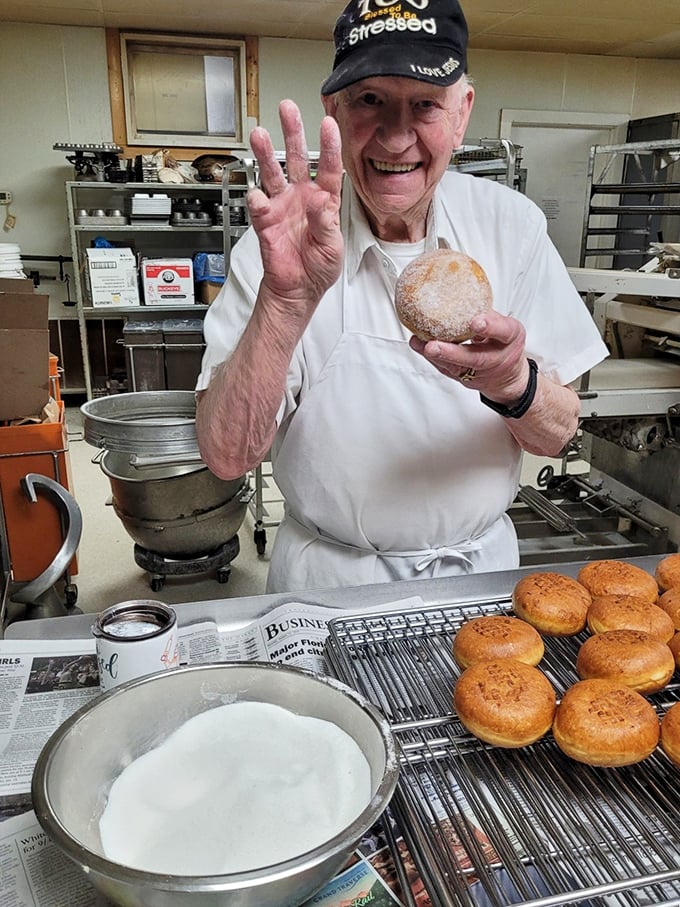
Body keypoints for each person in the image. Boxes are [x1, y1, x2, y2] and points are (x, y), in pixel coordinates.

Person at [195, 0, 608, 594]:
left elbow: (558, 433)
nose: (395, 136)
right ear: (331, 110)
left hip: (481, 579)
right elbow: (227, 456)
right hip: (326, 584)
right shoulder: (275, 245)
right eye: (370, 100)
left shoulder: (510, 228)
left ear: (462, 113)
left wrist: (513, 382)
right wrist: (285, 303)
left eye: (425, 104)